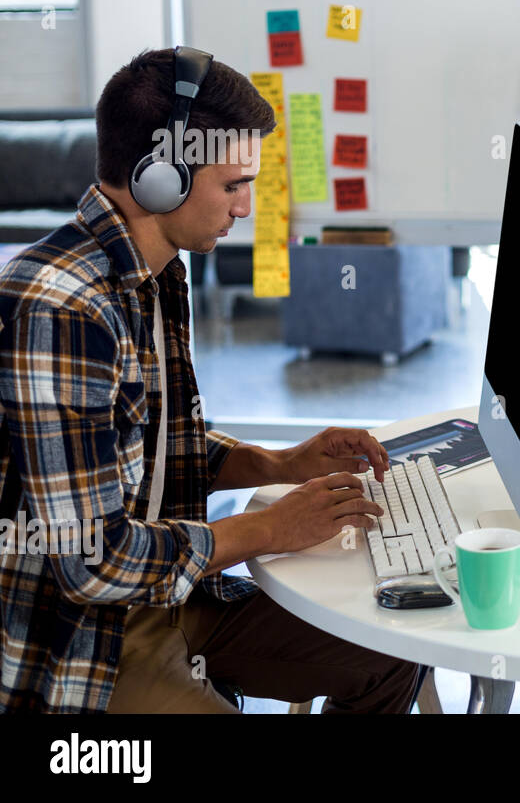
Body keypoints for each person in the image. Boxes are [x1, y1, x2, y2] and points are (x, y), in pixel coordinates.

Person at [0, 48, 424, 713]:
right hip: (88, 647)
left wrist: (279, 462)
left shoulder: (157, 269)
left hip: (175, 599)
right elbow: (92, 562)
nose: (247, 208)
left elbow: (147, 447)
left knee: (392, 649)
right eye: (232, 186)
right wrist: (270, 529)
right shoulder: (61, 308)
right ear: (159, 180)